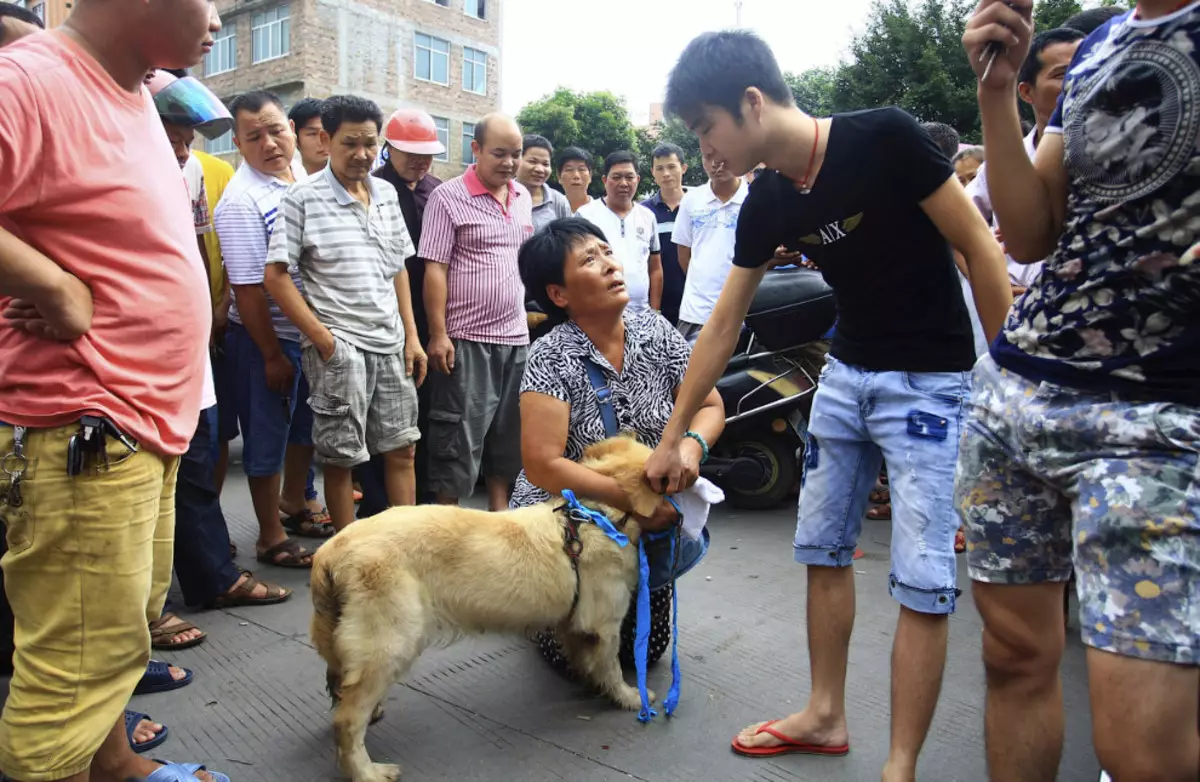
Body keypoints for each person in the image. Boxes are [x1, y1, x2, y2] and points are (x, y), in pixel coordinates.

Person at [645, 31, 1010, 780]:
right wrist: (672, 433)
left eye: (707, 128)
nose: (705, 149)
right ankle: (823, 713)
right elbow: (721, 327)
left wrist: (1008, 384)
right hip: (844, 377)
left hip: (932, 383)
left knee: (922, 576)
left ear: (751, 102)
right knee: (820, 548)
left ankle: (900, 763)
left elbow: (980, 250)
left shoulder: (886, 138)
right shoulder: (768, 202)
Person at [960, 3, 1199, 781]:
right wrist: (998, 93)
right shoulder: (1099, 45)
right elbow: (1031, 233)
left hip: (1158, 416)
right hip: (1018, 393)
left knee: (1139, 749)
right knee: (1014, 657)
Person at [0, 1, 233, 780]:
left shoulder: (133, 92)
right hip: (85, 425)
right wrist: (52, 287)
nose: (219, 21)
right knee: (71, 675)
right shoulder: (28, 80)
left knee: (112, 645)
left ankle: (121, 769)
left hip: (141, 423)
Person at [513, 216, 724, 676]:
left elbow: (710, 406)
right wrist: (636, 502)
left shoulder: (655, 330)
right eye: (590, 260)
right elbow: (543, 466)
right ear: (559, 294)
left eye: (606, 252)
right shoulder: (551, 354)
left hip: (644, 508)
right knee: (578, 659)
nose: (610, 264)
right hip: (571, 519)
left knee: (645, 651)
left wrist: (690, 449)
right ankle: (544, 608)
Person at [265, 95, 426, 532]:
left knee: (402, 449)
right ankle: (348, 550)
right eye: (350, 143)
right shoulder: (302, 197)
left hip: (390, 342)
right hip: (341, 349)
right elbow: (276, 276)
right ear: (325, 139)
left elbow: (397, 269)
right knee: (341, 458)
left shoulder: (388, 193)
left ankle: (406, 546)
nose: (362, 154)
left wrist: (411, 337)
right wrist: (324, 341)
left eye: (371, 144)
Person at [214, 89, 330, 569]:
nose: (269, 143)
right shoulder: (241, 202)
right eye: (254, 136)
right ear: (239, 145)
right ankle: (269, 536)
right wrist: (270, 355)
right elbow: (247, 291)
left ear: (293, 129)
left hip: (307, 335)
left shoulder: (300, 177)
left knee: (306, 429)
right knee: (267, 441)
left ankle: (295, 504)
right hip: (267, 338)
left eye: (276, 130)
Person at [420, 113, 532, 511]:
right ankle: (446, 522)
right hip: (466, 340)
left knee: (508, 437)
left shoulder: (523, 197)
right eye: (499, 153)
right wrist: (438, 334)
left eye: (515, 154)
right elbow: (435, 267)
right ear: (476, 149)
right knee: (457, 439)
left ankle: (500, 517)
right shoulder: (447, 197)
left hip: (516, 341)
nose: (509, 163)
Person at [348, 109, 447, 516]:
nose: (419, 163)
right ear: (388, 148)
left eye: (426, 155)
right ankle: (375, 506)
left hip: (429, 322)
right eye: (410, 153)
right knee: (377, 421)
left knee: (419, 418)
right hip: (382, 320)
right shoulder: (374, 188)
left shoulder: (438, 191)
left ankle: (415, 504)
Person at [966, 26, 1085, 298]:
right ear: (1026, 92)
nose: (1079, 81)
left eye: (1089, 68)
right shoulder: (997, 169)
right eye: (1062, 74)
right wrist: (997, 286)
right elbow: (960, 238)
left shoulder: (1114, 158)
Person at [674, 151, 748, 342]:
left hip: (744, 310)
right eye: (709, 157)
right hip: (696, 311)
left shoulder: (754, 199)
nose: (717, 164)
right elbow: (684, 254)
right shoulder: (691, 200)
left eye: (723, 157)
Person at [577, 152, 662, 315]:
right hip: (600, 313)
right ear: (604, 180)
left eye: (629, 177)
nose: (623, 183)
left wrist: (655, 311)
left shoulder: (648, 216)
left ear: (637, 179)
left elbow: (655, 267)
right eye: (616, 177)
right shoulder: (585, 215)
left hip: (642, 314)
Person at [641, 142, 690, 325]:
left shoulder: (697, 207)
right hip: (656, 301)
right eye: (660, 168)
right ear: (653, 173)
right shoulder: (643, 211)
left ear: (683, 168)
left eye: (671, 167)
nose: (666, 173)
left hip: (692, 298)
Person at [518, 134, 572, 233]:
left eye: (545, 164)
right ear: (517, 160)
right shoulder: (502, 194)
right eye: (532, 162)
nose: (540, 169)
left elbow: (568, 239)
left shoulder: (558, 201)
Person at [289, 96, 329, 176]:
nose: (322, 141)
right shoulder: (290, 185)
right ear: (295, 138)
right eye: (313, 134)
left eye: (327, 132)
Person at [556, 146, 595, 213]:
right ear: (559, 176)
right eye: (569, 170)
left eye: (582, 169)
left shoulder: (602, 212)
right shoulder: (550, 211)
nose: (576, 176)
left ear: (590, 176)